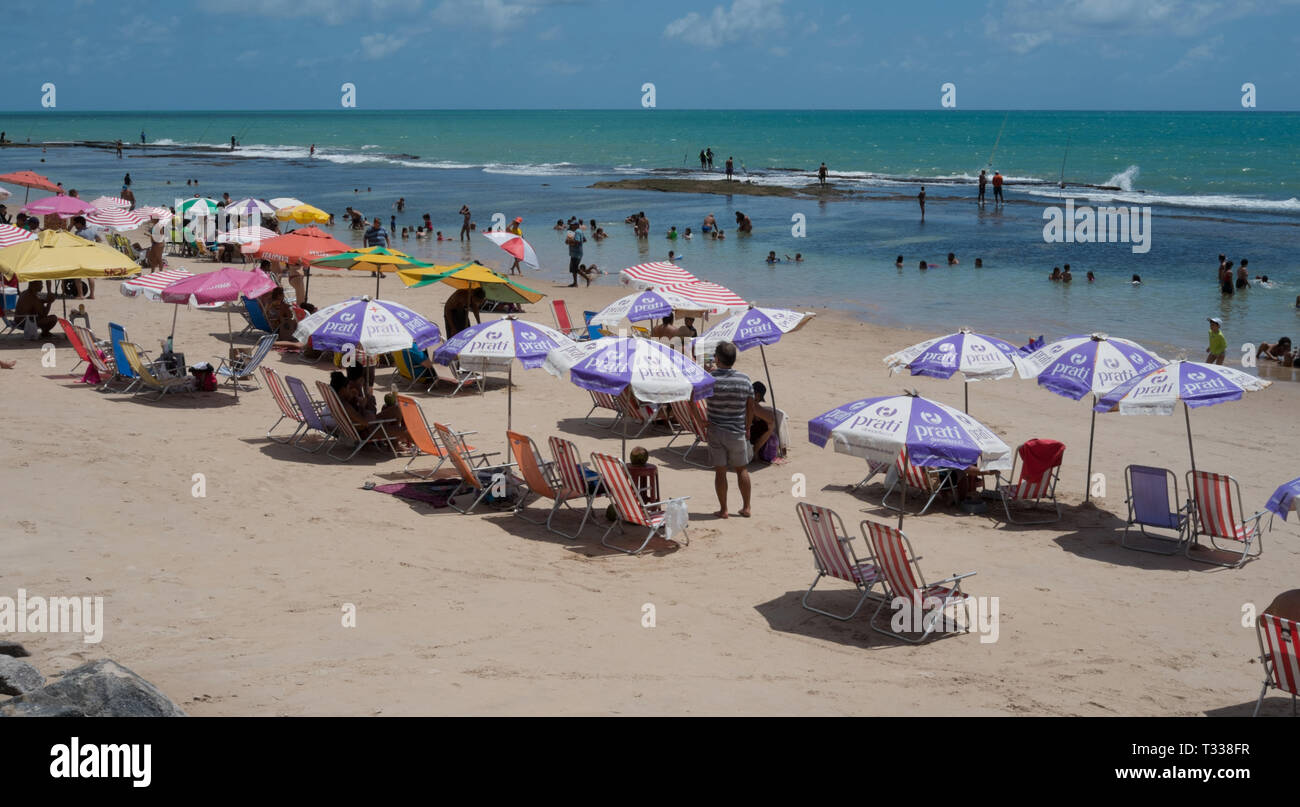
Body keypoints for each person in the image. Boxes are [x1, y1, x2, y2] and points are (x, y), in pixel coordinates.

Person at [704, 341, 755, 518]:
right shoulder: (745, 379)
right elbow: (751, 407)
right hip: (737, 430)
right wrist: (748, 426)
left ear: (717, 359)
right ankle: (746, 507)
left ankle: (724, 509)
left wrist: (700, 420)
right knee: (741, 469)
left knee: (720, 471)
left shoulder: (709, 379)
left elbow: (691, 399)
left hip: (716, 430)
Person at [70, 216, 99, 299]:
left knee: (77, 275)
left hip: (81, 255)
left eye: (75, 223)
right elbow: (99, 239)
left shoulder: (78, 233)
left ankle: (80, 295)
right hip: (90, 254)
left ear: (79, 223)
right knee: (90, 275)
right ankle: (92, 295)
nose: (75, 225)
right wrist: (94, 246)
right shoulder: (92, 231)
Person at [749, 381, 778, 460]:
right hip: (740, 433)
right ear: (757, 395)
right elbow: (771, 419)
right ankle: (754, 452)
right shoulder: (751, 402)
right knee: (770, 425)